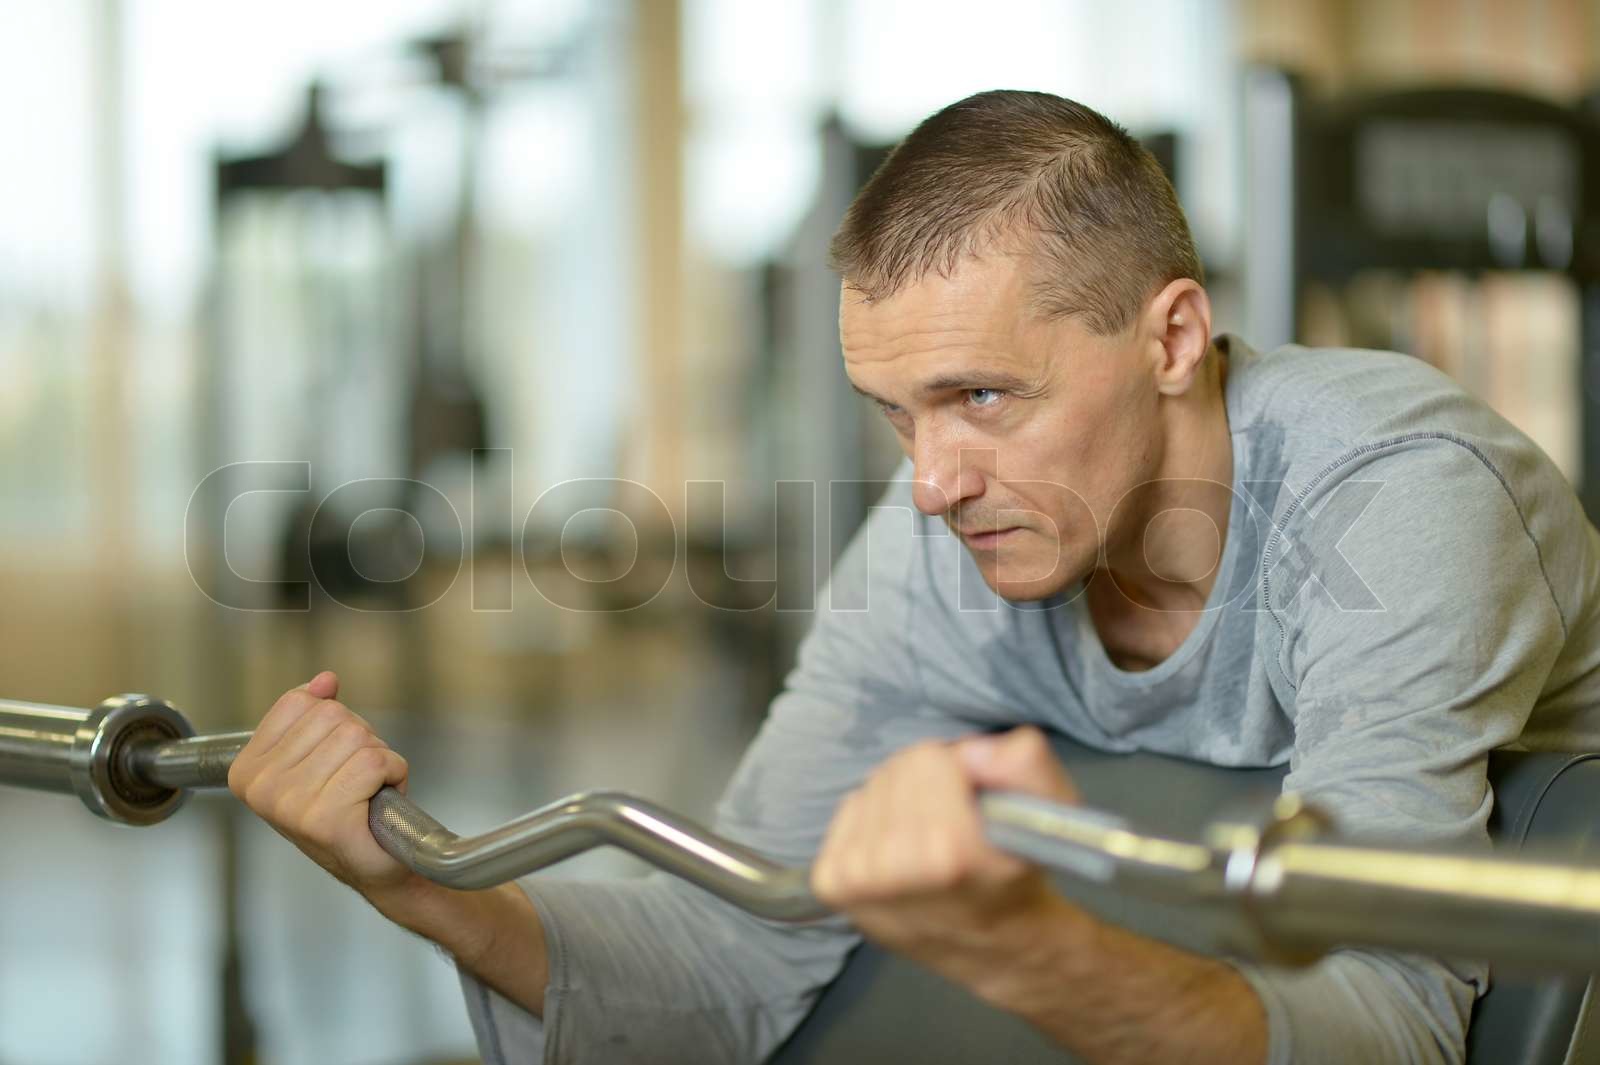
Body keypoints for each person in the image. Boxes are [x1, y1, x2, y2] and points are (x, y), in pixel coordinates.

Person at [229, 90, 1600, 1065]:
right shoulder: (945, 537)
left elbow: (1397, 1027)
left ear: (1172, 336)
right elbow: (736, 945)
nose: (932, 479)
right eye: (897, 411)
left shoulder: (1401, 502)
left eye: (983, 396)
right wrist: (424, 887)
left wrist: (1037, 948)